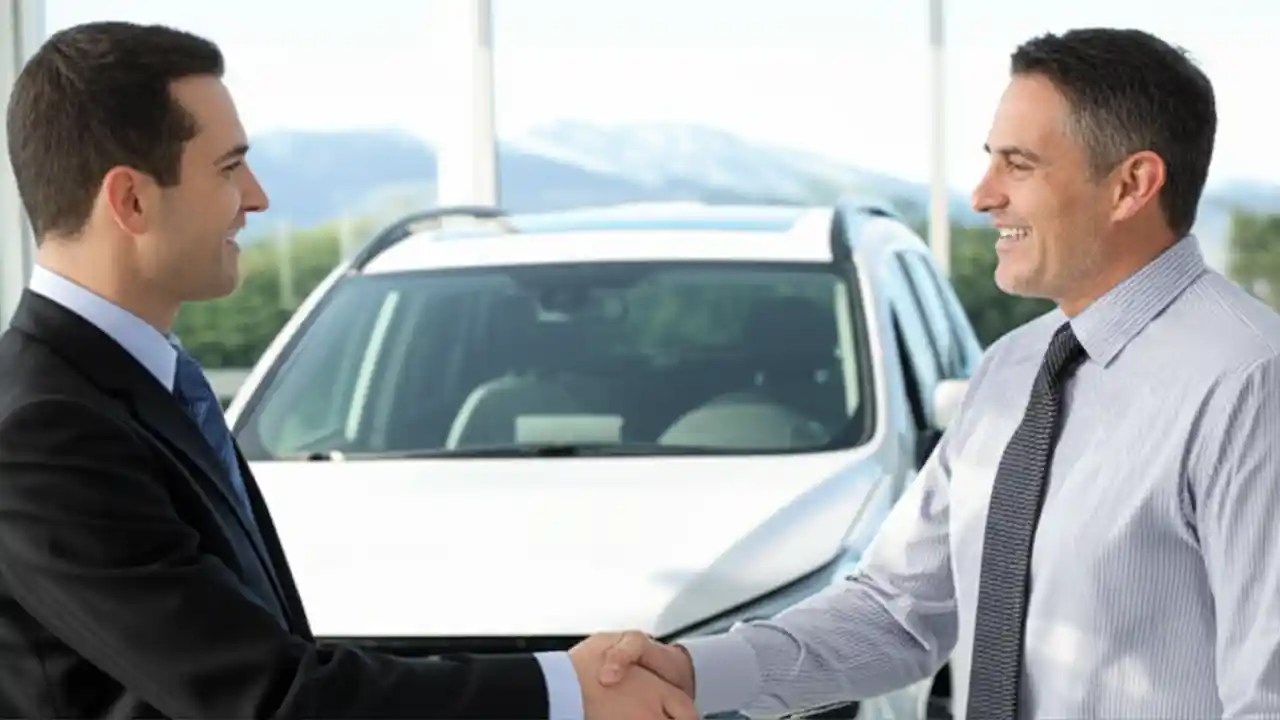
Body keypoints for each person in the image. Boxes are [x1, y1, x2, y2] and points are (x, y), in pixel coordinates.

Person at [0, 21, 696, 719]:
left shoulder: (136, 385)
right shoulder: (41, 431)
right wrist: (564, 690)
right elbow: (267, 694)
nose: (257, 196)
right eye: (227, 167)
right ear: (132, 201)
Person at [593, 27, 1280, 720]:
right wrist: (691, 671)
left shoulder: (1251, 381)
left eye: (1019, 164)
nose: (982, 196)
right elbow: (897, 611)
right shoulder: (1012, 370)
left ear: (1131, 184)